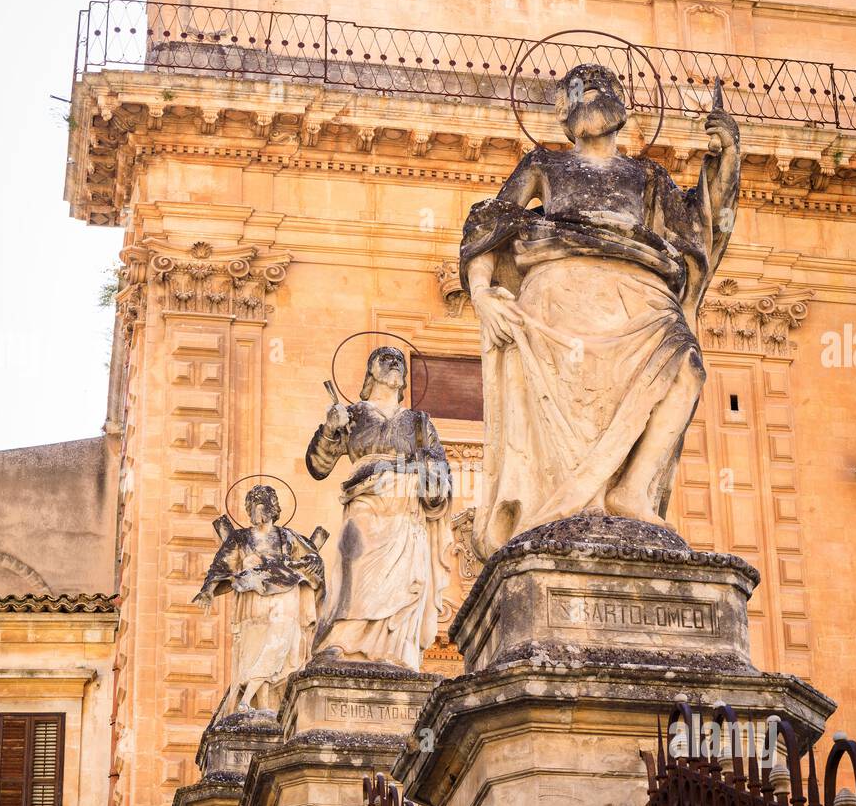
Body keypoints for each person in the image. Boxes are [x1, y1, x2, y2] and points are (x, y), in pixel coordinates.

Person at [461, 62, 741, 559]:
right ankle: (571, 506)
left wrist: (726, 160)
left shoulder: (647, 176)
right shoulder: (545, 166)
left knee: (688, 370)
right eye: (577, 92)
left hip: (643, 292)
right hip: (560, 290)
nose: (588, 94)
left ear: (622, 105)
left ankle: (632, 489)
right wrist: (481, 292)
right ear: (564, 115)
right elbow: (492, 223)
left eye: (600, 88)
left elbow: (702, 229)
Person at [306, 347, 453, 671]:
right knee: (352, 566)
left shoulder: (418, 422)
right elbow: (319, 465)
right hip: (365, 504)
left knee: (401, 584)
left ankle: (395, 650)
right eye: (384, 359)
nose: (394, 363)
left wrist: (428, 480)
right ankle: (341, 641)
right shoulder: (353, 416)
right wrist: (331, 430)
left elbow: (440, 470)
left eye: (399, 360)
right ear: (370, 372)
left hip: (404, 512)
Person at [193, 484, 325, 713]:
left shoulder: (287, 536)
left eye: (262, 505)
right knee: (259, 646)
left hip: (286, 596)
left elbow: (313, 558)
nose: (258, 511)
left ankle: (258, 700)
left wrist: (311, 563)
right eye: (254, 506)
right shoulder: (240, 538)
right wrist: (208, 589)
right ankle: (258, 702)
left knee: (284, 642)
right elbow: (221, 565)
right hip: (254, 599)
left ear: (273, 508)